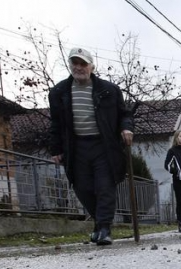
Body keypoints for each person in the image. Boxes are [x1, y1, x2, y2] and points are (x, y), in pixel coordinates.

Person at [49, 47, 133, 246]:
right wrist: (55, 148)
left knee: (105, 186)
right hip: (75, 147)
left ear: (92, 67)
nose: (78, 67)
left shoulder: (109, 90)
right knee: (82, 188)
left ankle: (104, 228)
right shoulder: (59, 92)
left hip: (103, 145)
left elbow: (124, 114)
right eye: (75, 63)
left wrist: (126, 128)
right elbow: (55, 123)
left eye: (83, 64)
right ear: (70, 66)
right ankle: (99, 222)